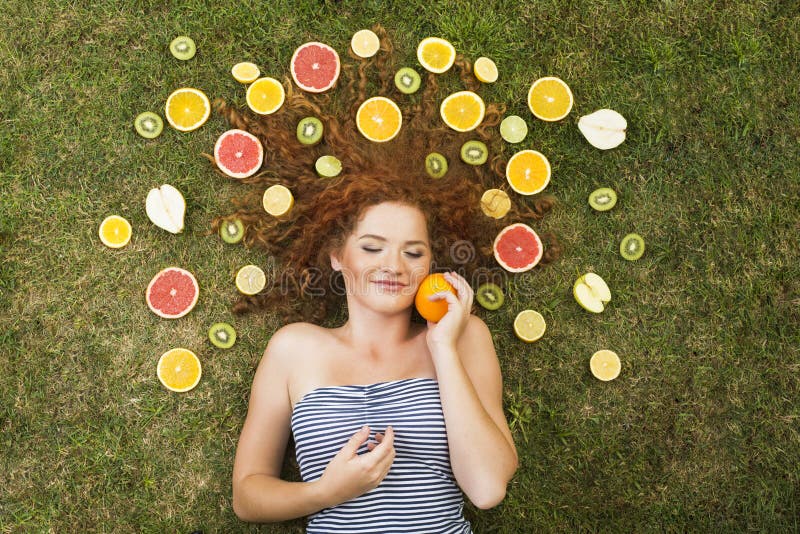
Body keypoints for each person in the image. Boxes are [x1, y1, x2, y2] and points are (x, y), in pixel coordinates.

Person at [211, 26, 559, 532]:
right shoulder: (293, 349)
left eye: (413, 252)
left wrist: (443, 348)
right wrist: (328, 492)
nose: (393, 265)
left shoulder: (465, 338)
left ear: (430, 264)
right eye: (372, 247)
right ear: (337, 256)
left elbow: (486, 489)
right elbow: (248, 496)